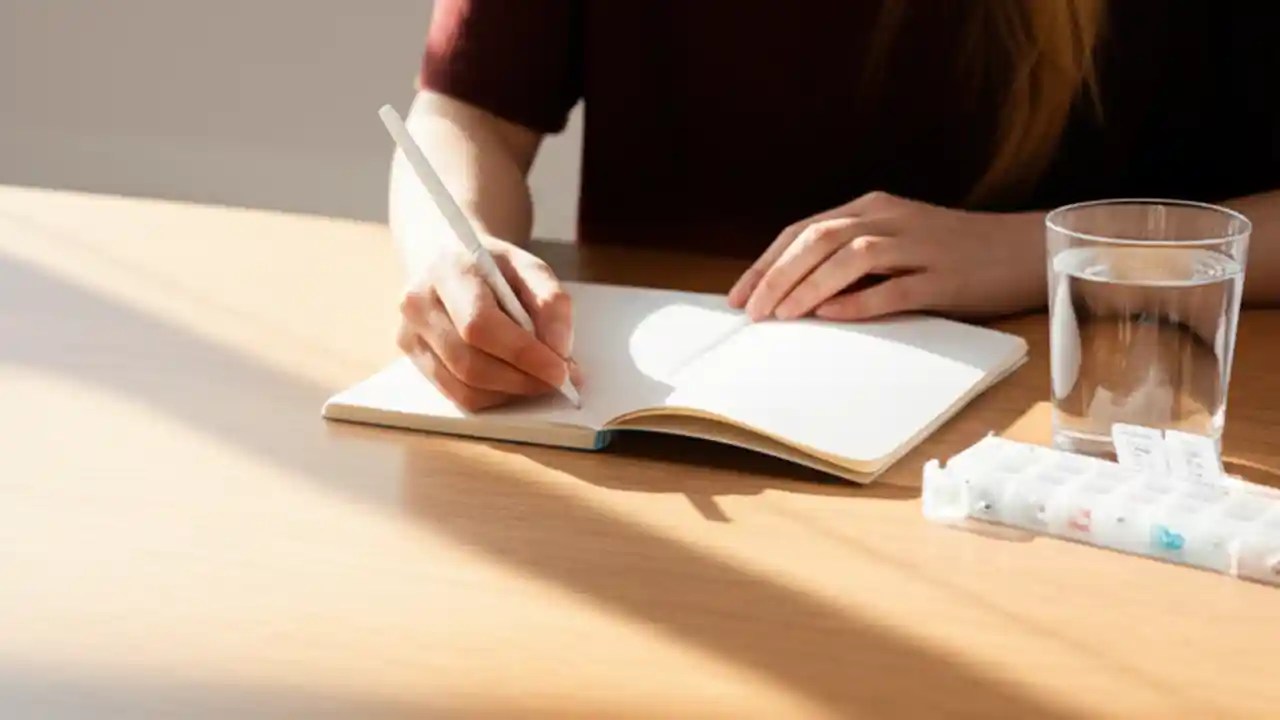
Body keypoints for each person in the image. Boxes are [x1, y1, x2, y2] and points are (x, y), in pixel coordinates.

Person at [389, 1, 1279, 411]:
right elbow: (468, 117)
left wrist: (1033, 255)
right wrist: (454, 252)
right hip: (652, 428)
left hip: (1078, 436)